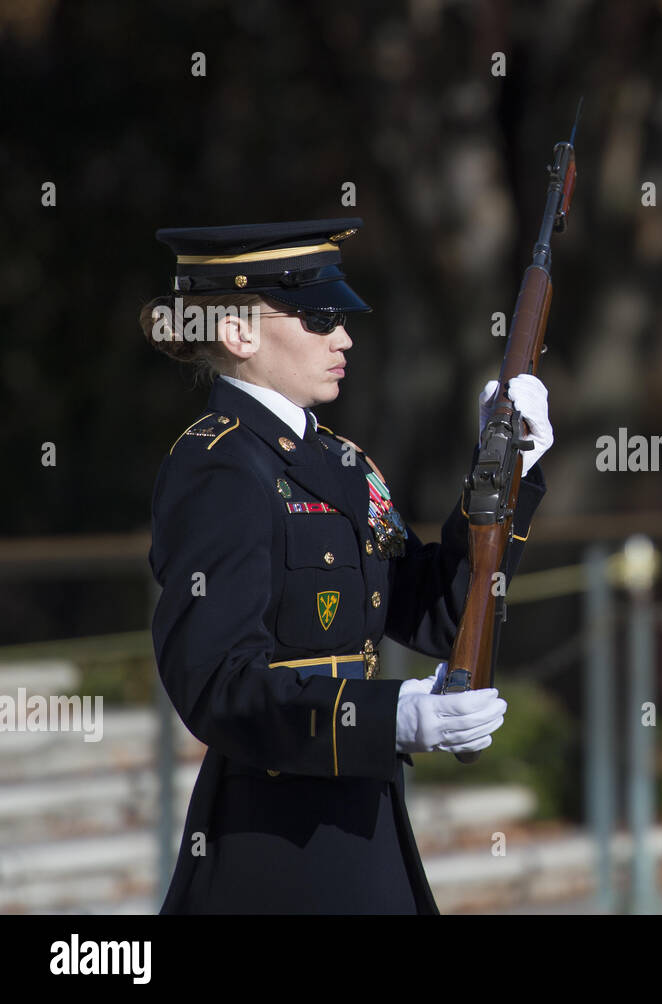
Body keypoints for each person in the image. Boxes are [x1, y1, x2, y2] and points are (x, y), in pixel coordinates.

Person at [144, 218, 552, 913]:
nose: (345, 338)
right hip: (274, 849)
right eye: (319, 317)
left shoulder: (336, 461)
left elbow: (434, 612)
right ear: (240, 333)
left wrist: (507, 478)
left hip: (363, 820)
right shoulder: (220, 467)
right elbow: (218, 686)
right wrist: (390, 718)